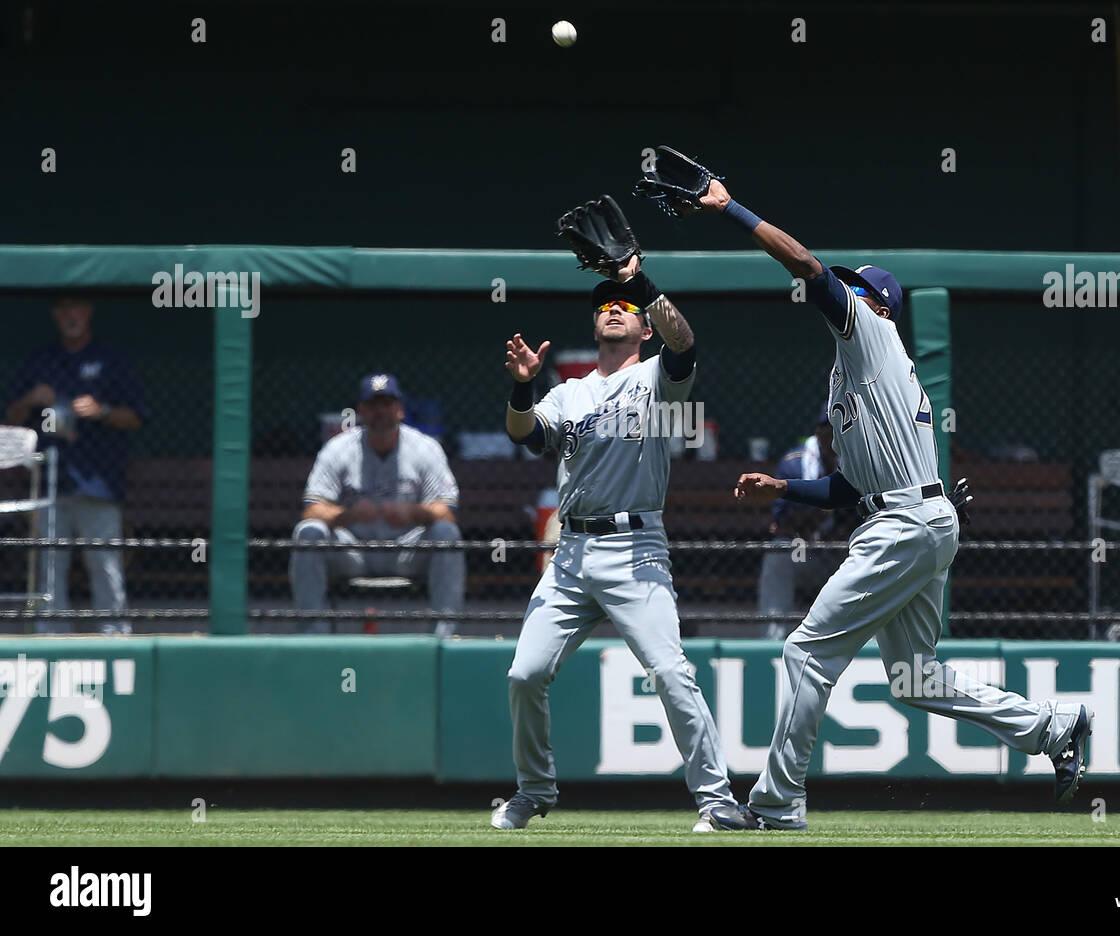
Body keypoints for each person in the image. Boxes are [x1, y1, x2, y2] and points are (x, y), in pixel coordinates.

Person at [682, 179, 1092, 831]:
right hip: (912, 517)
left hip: (904, 523)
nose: (849, 294)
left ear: (882, 308)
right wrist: (786, 488)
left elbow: (808, 269)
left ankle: (777, 801)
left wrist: (728, 208)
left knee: (807, 652)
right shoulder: (852, 375)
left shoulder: (872, 338)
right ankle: (1052, 726)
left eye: (860, 290)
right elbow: (851, 486)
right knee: (915, 679)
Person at [491, 253, 739, 832]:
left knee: (671, 673)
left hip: (637, 549)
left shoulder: (655, 376)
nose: (612, 310)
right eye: (603, 305)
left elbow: (685, 341)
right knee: (524, 675)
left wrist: (638, 282)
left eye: (623, 306)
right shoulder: (568, 393)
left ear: (644, 325)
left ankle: (717, 799)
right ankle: (533, 789)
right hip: (571, 554)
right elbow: (525, 435)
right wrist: (523, 387)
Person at [4, 297, 148, 635]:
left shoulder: (111, 360)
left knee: (105, 564)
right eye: (63, 309)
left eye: (77, 308)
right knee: (49, 566)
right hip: (50, 483)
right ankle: (51, 638)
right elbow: (10, 418)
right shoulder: (41, 361)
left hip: (99, 483)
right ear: (55, 315)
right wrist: (30, 400)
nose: (71, 316)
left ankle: (114, 638)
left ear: (89, 312)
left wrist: (103, 412)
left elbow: (138, 416)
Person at [291, 374, 465, 636]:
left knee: (446, 534)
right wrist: (347, 516)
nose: (381, 411)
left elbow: (447, 512)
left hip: (406, 551)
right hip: (353, 551)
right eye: (374, 405)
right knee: (308, 532)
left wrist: (411, 513)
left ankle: (445, 636)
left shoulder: (425, 448)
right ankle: (313, 634)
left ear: (400, 410)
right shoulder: (338, 448)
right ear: (361, 411)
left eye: (388, 404)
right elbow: (311, 509)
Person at [757, 409, 858, 639]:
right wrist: (819, 514)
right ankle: (771, 640)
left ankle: (865, 643)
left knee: (873, 551)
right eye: (827, 428)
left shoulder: (859, 462)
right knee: (778, 553)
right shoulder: (795, 463)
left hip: (843, 554)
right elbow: (780, 524)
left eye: (837, 428)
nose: (832, 435)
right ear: (817, 432)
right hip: (803, 552)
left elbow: (865, 519)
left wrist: (836, 527)